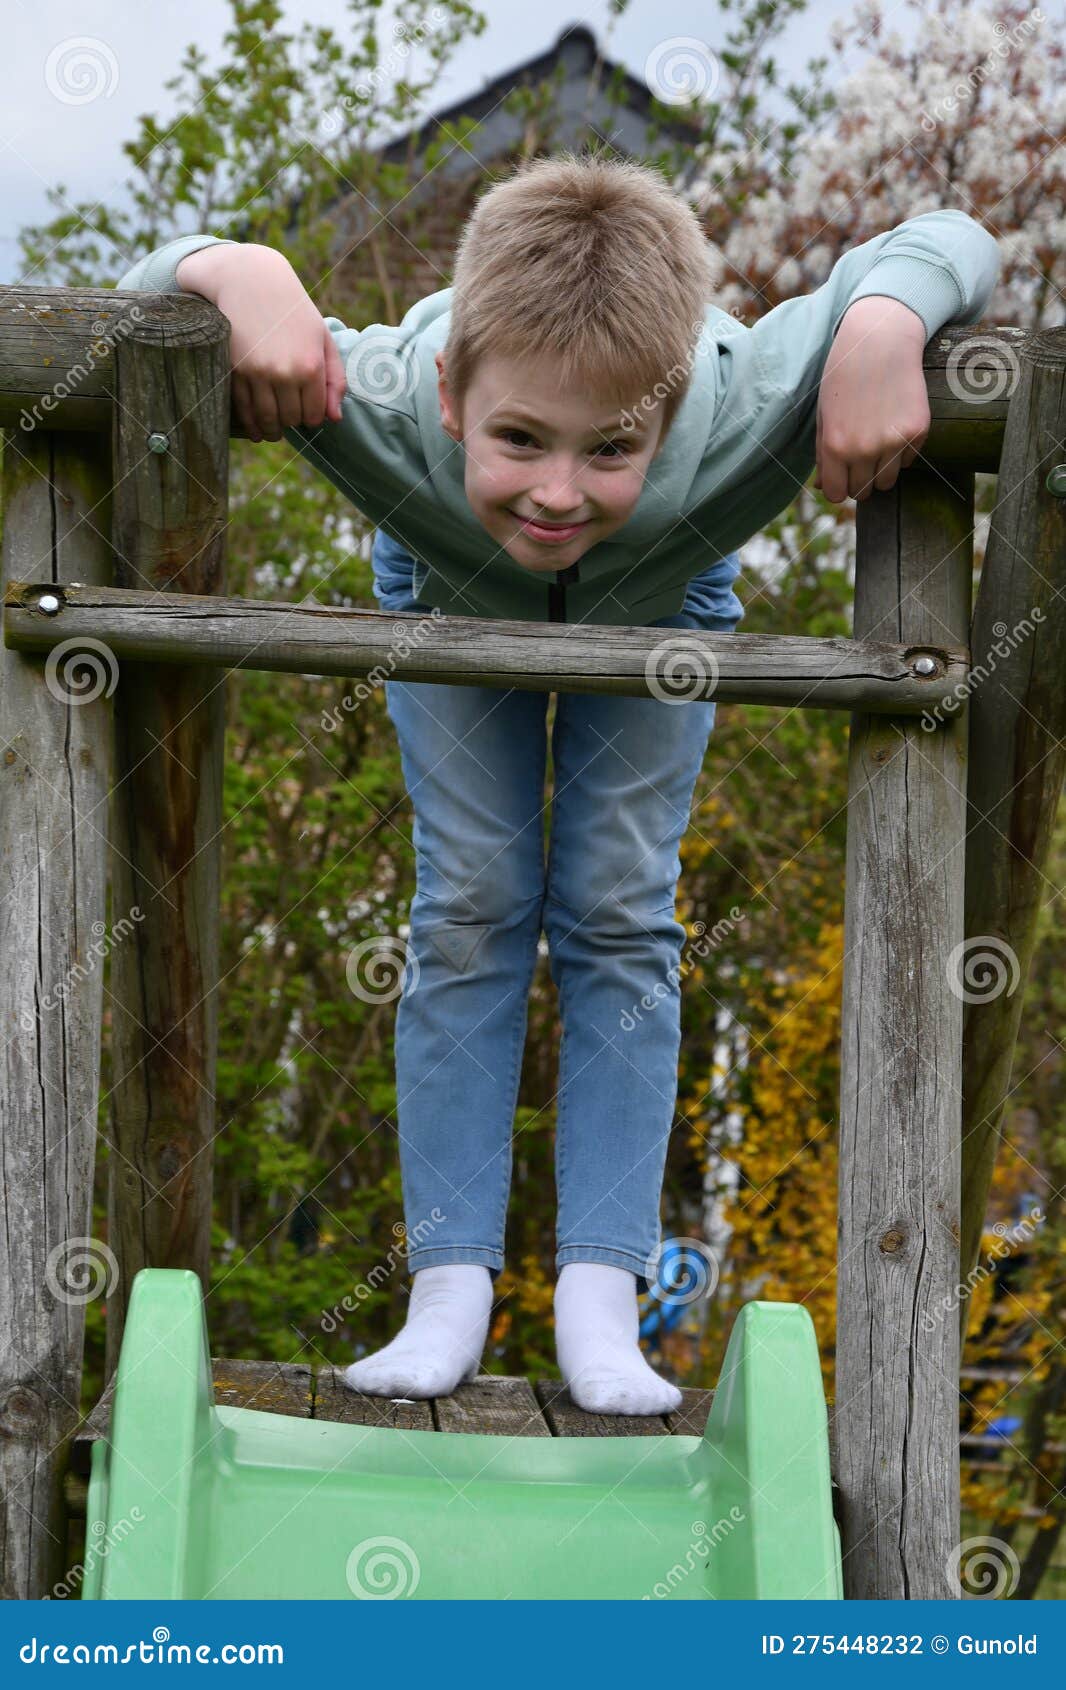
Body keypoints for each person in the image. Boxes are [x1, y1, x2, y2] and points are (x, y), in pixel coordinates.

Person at [117, 150, 1000, 1414]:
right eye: (521, 437)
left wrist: (882, 320)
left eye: (611, 447)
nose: (556, 492)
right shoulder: (375, 395)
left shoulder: (746, 401)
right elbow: (148, 279)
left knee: (619, 909)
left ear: (671, 408)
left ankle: (601, 1294)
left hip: (662, 608)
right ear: (448, 393)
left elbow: (954, 235)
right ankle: (446, 1289)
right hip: (445, 594)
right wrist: (237, 268)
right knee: (469, 905)